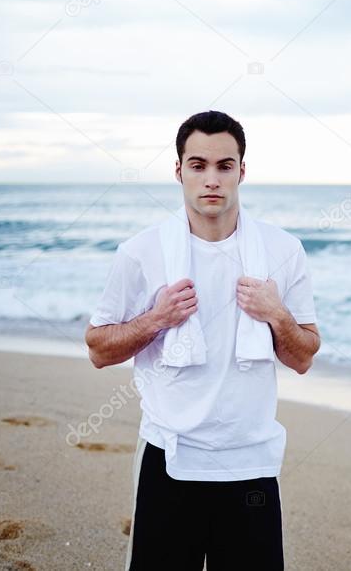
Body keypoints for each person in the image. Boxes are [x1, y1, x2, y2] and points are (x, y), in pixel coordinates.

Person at [84, 110, 320, 570]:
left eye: (224, 166)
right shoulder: (141, 252)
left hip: (250, 463)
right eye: (198, 165)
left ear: (242, 171)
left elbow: (304, 357)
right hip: (170, 457)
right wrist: (155, 319)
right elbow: (97, 349)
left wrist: (276, 315)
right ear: (179, 171)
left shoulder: (282, 250)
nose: (211, 179)